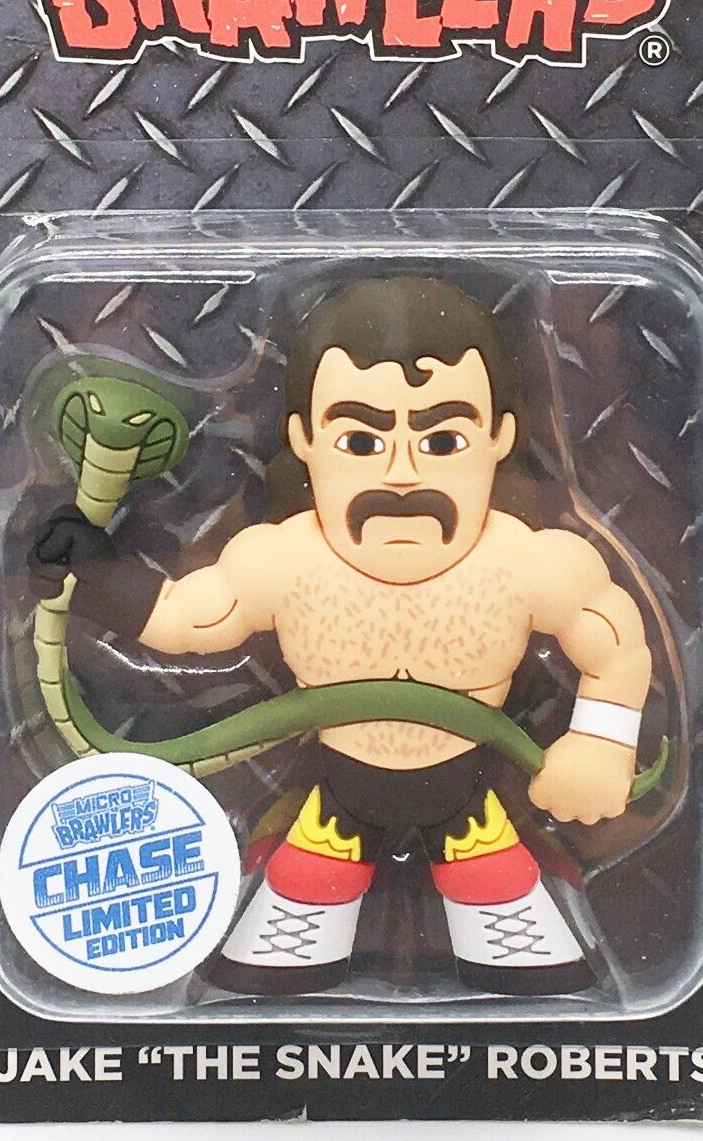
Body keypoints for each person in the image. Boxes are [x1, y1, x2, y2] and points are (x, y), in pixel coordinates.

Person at [33, 276, 652, 995]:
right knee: (302, 896)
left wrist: (602, 745)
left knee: (501, 899)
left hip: (471, 796)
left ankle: (510, 938)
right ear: (305, 439)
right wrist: (97, 574)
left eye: (442, 439)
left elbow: (612, 643)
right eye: (361, 439)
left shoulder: (529, 564)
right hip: (337, 797)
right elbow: (188, 619)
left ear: (498, 437)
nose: (401, 473)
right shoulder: (284, 560)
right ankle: (297, 937)